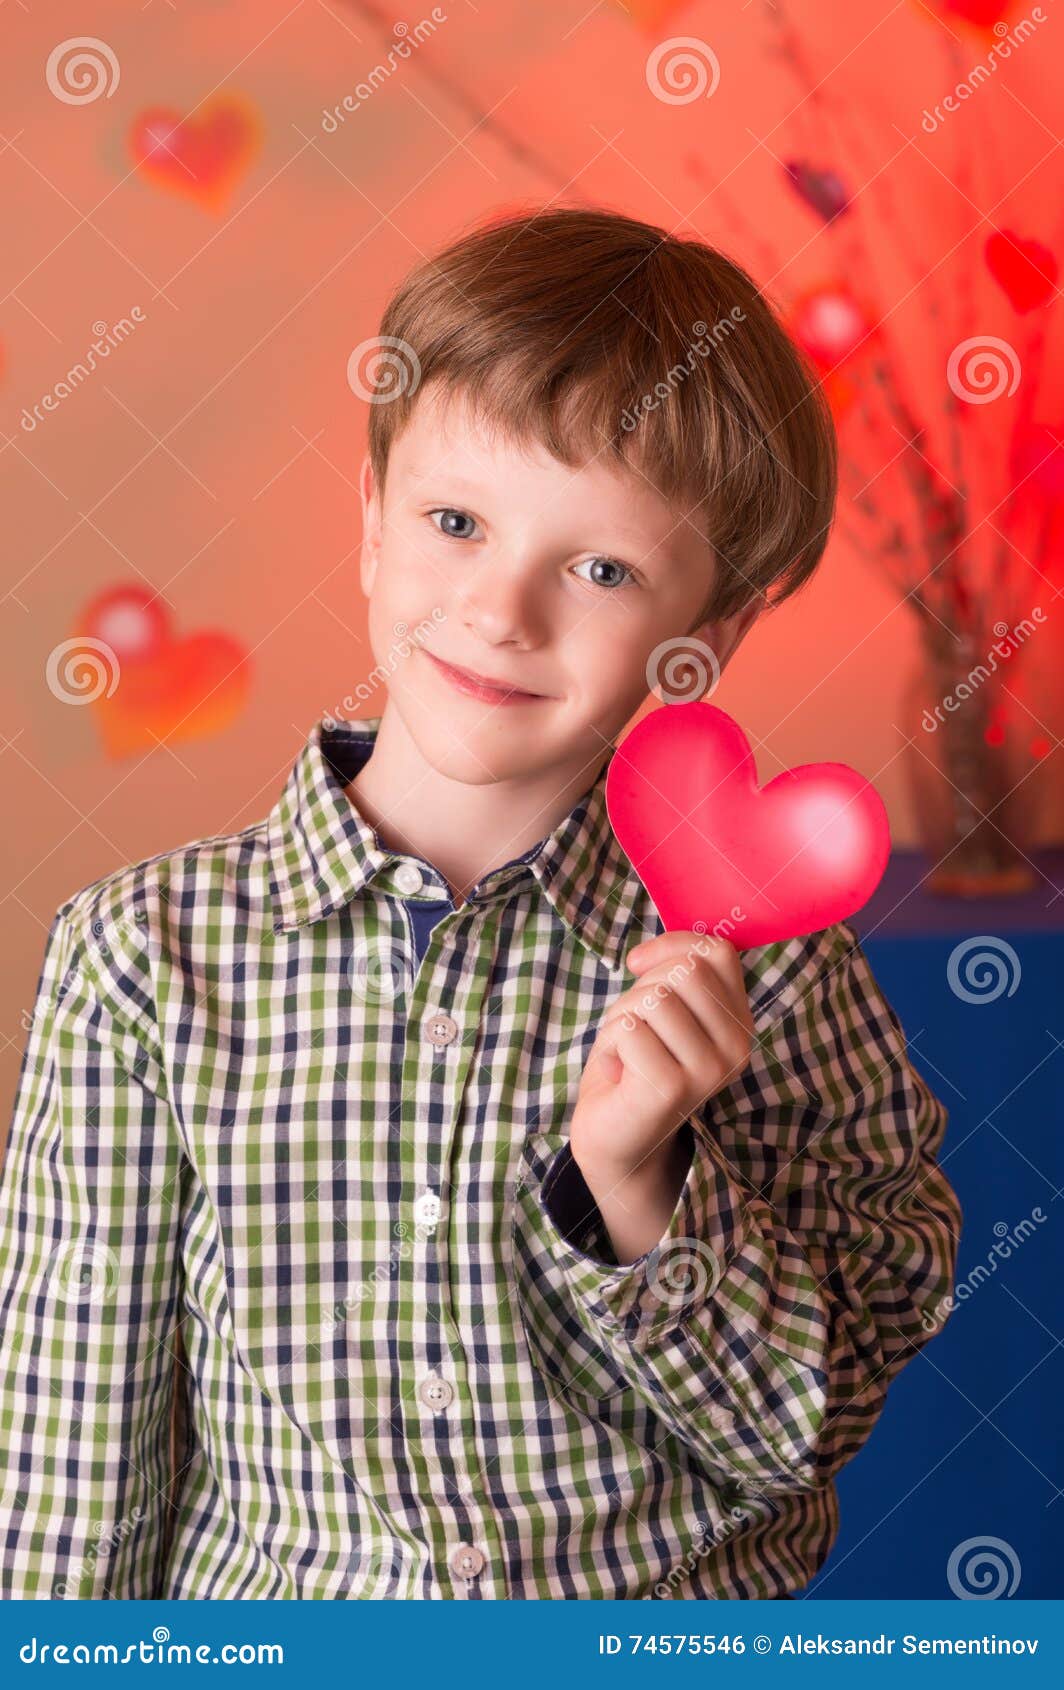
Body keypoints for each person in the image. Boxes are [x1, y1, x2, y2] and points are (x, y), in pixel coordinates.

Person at [0, 205, 961, 1600]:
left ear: (711, 634)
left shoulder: (773, 965)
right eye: (456, 521)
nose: (502, 609)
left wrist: (644, 1194)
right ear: (376, 529)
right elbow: (71, 1466)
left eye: (603, 568)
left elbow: (807, 1427)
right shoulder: (141, 961)